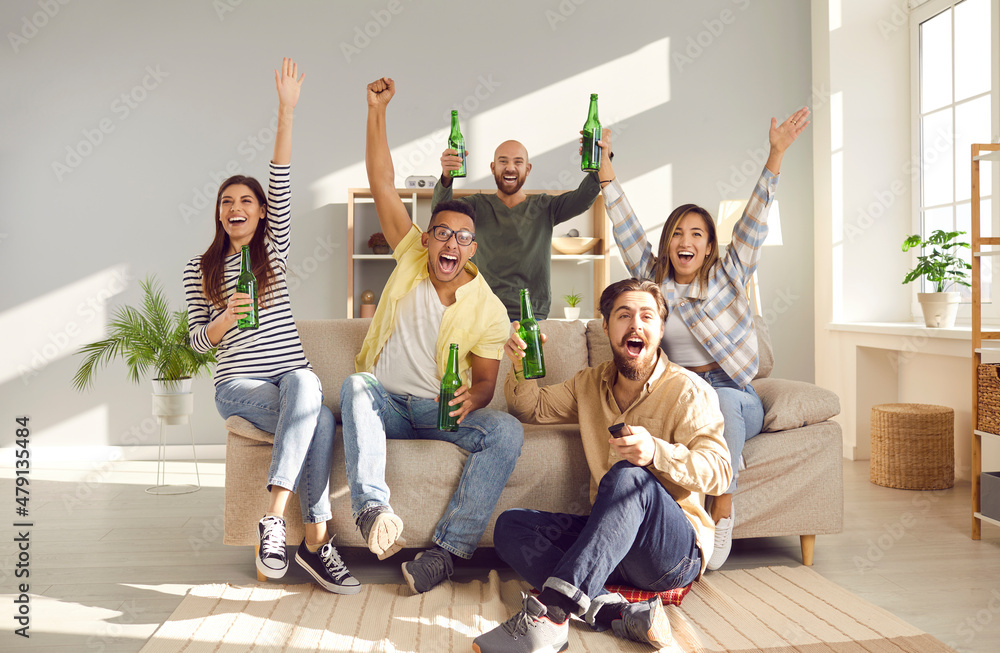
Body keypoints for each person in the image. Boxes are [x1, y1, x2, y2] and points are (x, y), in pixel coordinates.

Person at [593, 108, 811, 570]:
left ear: (710, 245)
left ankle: (722, 509)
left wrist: (775, 154)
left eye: (696, 233)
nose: (685, 240)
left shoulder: (730, 274)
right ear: (668, 243)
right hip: (683, 397)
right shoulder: (652, 280)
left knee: (726, 405)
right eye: (676, 233)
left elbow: (754, 219)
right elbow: (623, 221)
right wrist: (604, 163)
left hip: (733, 393)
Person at [472, 278, 731, 652]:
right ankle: (612, 613)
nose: (635, 325)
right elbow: (532, 408)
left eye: (646, 316)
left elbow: (720, 470)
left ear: (660, 328)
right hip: (609, 542)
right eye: (624, 315)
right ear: (606, 327)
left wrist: (657, 452)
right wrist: (520, 365)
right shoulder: (589, 383)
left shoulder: (689, 391)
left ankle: (552, 615)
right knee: (511, 527)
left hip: (669, 554)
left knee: (628, 476)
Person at [340, 76, 523, 595]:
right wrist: (376, 112)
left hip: (440, 415)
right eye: (441, 232)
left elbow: (487, 381)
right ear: (428, 238)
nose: (450, 243)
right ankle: (373, 512)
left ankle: (445, 552)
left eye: (462, 238)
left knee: (506, 432)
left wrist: (477, 397)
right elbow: (380, 180)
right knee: (355, 386)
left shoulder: (488, 307)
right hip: (389, 406)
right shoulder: (412, 256)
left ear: (471, 250)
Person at [184, 59, 359, 594]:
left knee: (308, 390)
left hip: (290, 376)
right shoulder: (201, 269)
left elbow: (280, 175)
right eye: (226, 202)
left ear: (262, 214)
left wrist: (286, 111)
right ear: (219, 215)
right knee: (320, 415)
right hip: (238, 386)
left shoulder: (274, 255)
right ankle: (317, 542)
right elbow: (195, 342)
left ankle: (281, 524)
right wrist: (222, 320)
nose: (235, 207)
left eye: (246, 201)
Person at [431, 134, 601, 320]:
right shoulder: (476, 206)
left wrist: (599, 160)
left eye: (517, 162)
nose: (510, 167)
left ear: (527, 169)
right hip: (482, 312)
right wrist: (446, 177)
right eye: (503, 161)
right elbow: (441, 215)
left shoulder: (545, 207)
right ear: (493, 168)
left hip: (531, 314)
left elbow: (584, 198)